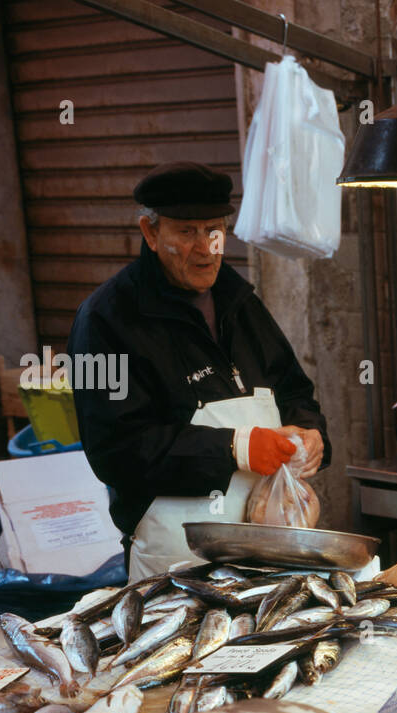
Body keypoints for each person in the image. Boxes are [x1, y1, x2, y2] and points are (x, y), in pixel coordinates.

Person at [68, 162, 330, 578]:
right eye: (187, 232)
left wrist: (311, 431)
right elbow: (113, 450)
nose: (207, 248)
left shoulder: (241, 302)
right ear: (151, 233)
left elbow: (294, 390)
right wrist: (235, 448)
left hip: (269, 555)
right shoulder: (102, 319)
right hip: (177, 563)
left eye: (214, 229)